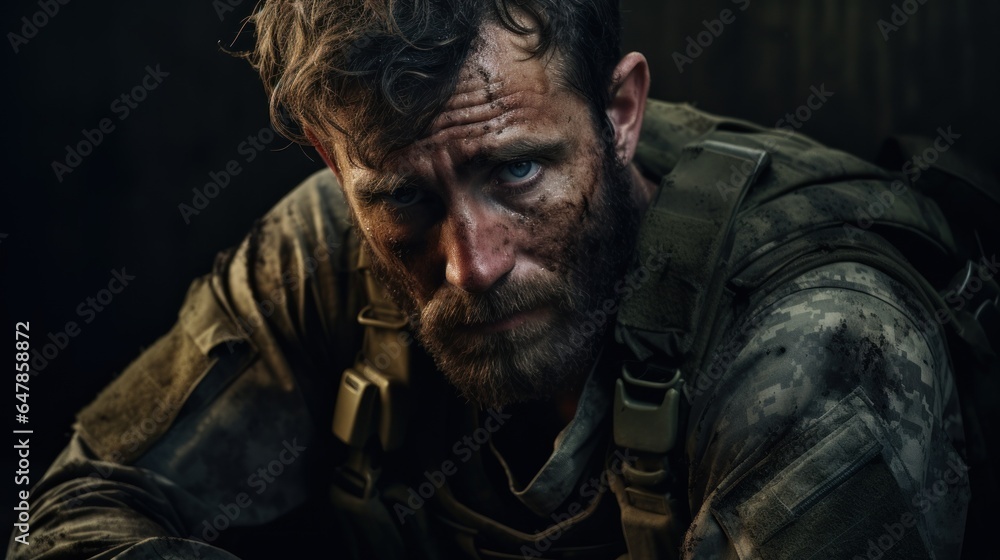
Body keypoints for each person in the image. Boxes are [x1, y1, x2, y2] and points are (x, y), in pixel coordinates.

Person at [9, 1, 973, 558]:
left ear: (621, 112)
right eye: (405, 198)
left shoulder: (814, 347)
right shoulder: (328, 246)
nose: (472, 265)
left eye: (516, 171)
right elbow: (69, 511)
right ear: (334, 166)